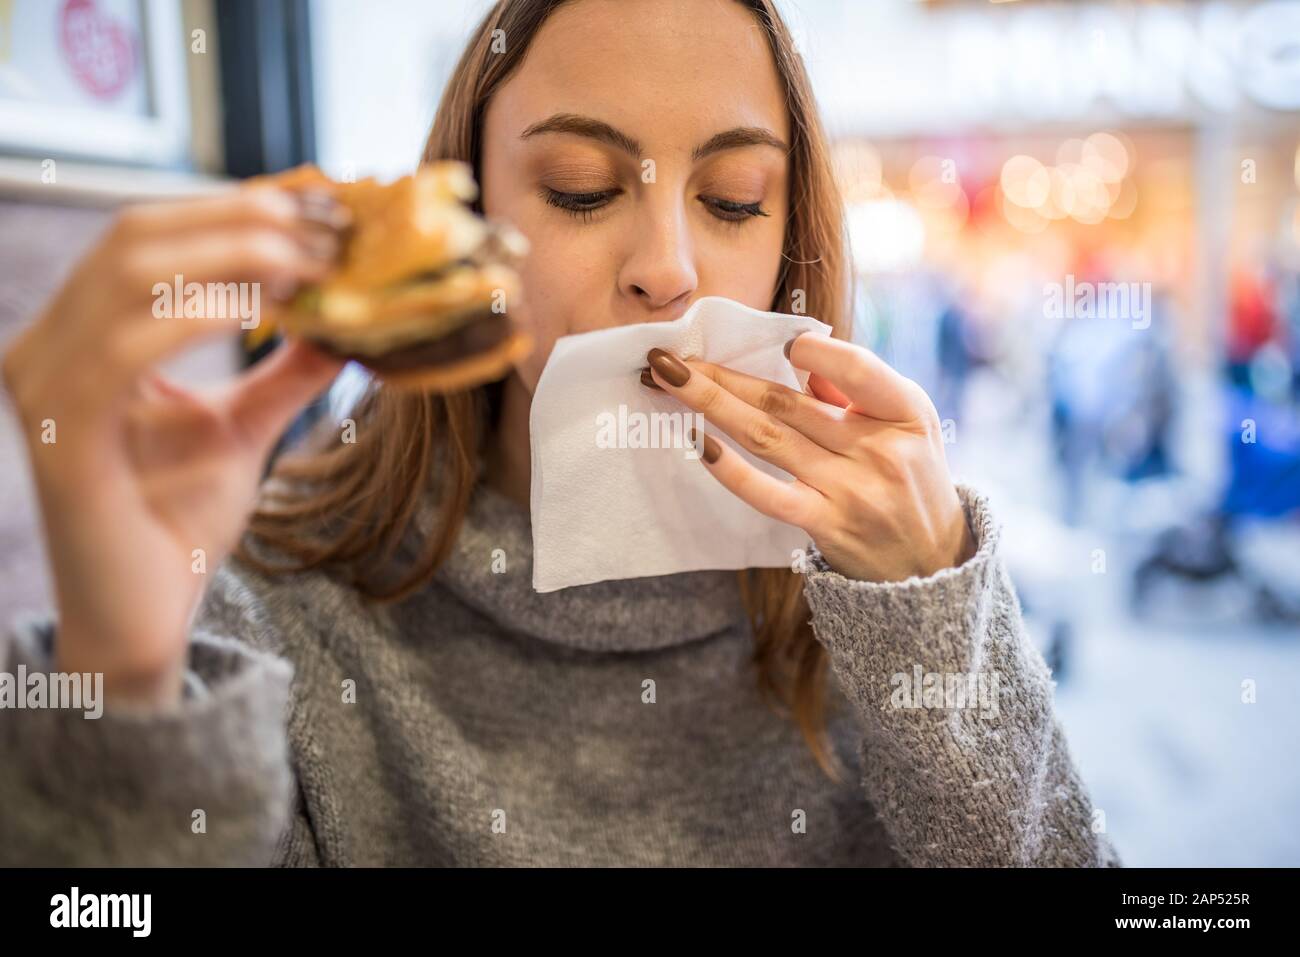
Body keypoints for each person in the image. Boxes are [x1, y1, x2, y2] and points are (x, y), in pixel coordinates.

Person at [0, 0, 1120, 867]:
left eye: (732, 198)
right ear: (473, 215)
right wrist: (125, 681)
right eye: (581, 189)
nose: (669, 270)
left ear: (790, 241)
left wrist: (932, 609)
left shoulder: (888, 590)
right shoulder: (273, 616)